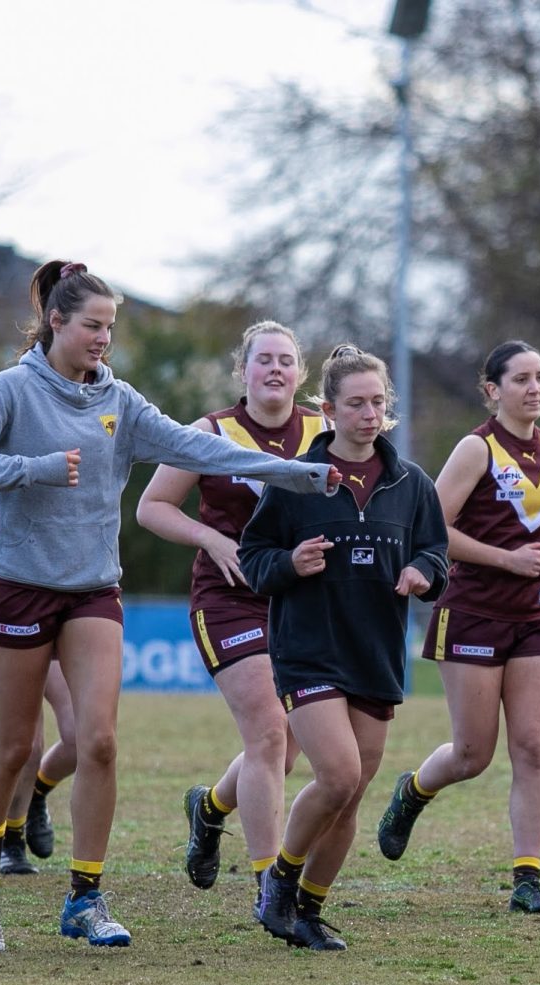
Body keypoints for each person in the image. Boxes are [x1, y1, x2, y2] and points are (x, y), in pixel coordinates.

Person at [0, 260, 335, 952]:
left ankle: (85, 898)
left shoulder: (120, 400)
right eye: (93, 326)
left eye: (111, 328)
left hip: (94, 588)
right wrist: (30, 470)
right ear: (56, 322)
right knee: (12, 749)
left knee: (99, 741)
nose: (104, 340)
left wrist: (299, 474)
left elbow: (195, 448)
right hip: (18, 586)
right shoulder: (11, 390)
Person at [239, 345, 448, 951]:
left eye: (378, 402)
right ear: (327, 409)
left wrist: (423, 573)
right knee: (338, 774)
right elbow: (254, 560)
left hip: (375, 653)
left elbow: (438, 555)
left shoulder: (413, 485)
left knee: (352, 793)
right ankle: (279, 880)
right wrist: (289, 562)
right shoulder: (295, 482)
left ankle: (308, 909)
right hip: (309, 649)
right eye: (355, 403)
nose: (368, 414)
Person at [375, 340, 540, 913]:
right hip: (473, 612)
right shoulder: (476, 448)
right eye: (520, 379)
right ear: (492, 391)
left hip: (537, 614)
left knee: (533, 746)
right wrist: (505, 559)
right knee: (473, 754)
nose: (534, 388)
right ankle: (413, 790)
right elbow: (431, 530)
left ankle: (527, 879)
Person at [137, 319, 324, 897]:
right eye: (263, 359)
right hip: (230, 600)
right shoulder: (211, 431)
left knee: (288, 750)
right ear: (241, 371)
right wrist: (211, 539)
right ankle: (272, 883)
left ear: (300, 373)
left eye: (286, 360)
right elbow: (152, 506)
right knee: (269, 734)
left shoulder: (326, 428)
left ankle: (211, 807)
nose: (275, 369)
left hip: (303, 602)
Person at [0, 492, 77, 874]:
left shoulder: (80, 483)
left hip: (67, 613)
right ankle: (10, 838)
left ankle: (37, 791)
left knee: (82, 736)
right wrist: (32, 563)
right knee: (25, 744)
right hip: (13, 614)